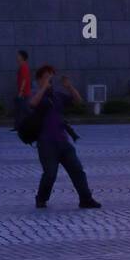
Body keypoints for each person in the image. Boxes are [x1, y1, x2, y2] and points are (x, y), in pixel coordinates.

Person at [29, 66, 100, 211]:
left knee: (77, 170)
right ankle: (41, 198)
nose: (50, 80)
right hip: (46, 143)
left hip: (63, 141)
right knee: (50, 174)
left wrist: (69, 87)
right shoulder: (37, 95)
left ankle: (85, 199)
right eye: (46, 77)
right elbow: (32, 104)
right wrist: (43, 87)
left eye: (51, 77)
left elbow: (78, 101)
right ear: (39, 79)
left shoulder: (57, 95)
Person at [14, 50, 32, 129]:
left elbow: (24, 80)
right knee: (21, 110)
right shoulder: (22, 67)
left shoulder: (24, 67)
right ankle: (18, 126)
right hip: (24, 93)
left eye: (18, 55)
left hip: (24, 93)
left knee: (24, 110)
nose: (17, 57)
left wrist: (21, 92)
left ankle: (20, 126)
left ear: (22, 57)